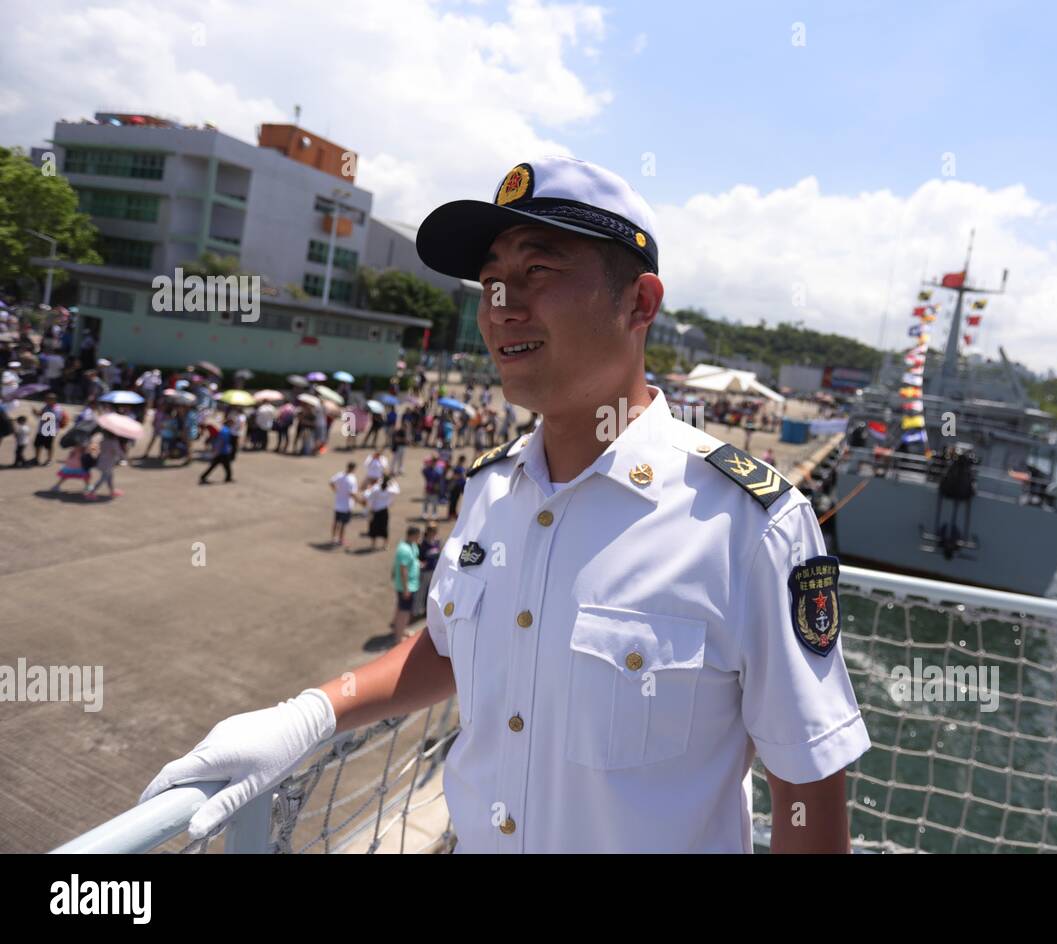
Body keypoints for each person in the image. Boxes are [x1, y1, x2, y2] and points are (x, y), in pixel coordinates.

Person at [137, 156, 869, 853]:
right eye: (489, 280)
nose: (500, 307)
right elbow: (453, 645)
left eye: (537, 271)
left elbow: (806, 783)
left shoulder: (747, 524)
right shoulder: (492, 490)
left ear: (639, 303)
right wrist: (312, 713)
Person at [388, 525, 422, 644]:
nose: (420, 538)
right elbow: (403, 569)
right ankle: (398, 638)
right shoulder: (404, 549)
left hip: (409, 584)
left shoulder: (410, 545)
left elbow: (403, 563)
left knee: (400, 608)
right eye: (418, 536)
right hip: (407, 586)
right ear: (412, 535)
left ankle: (399, 629)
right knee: (405, 613)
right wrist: (406, 588)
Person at [362, 473, 399, 550]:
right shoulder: (390, 490)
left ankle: (373, 545)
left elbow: (367, 496)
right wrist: (393, 481)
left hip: (375, 511)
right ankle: (385, 545)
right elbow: (397, 489)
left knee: (373, 528)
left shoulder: (376, 489)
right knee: (384, 528)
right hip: (384, 511)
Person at [86, 433, 125, 499]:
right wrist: (123, 456)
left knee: (110, 477)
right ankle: (92, 492)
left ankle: (112, 491)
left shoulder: (103, 440)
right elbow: (118, 452)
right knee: (103, 479)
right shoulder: (114, 442)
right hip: (108, 463)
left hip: (102, 461)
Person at [328, 462, 359, 546]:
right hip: (346, 505)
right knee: (343, 524)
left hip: (338, 504)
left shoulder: (340, 475)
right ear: (353, 468)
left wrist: (336, 491)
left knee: (336, 522)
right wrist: (358, 500)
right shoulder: (352, 479)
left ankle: (333, 538)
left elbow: (331, 482)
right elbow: (352, 493)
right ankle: (341, 539)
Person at [198, 417, 236, 484]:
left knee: (215, 466)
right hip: (223, 452)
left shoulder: (224, 429)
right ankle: (228, 478)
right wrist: (217, 451)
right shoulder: (225, 431)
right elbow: (220, 442)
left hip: (222, 451)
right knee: (226, 466)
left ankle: (203, 476)